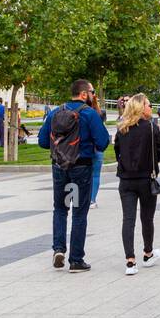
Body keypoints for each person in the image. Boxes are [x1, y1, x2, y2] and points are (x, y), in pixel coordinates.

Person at [38, 79, 110, 273]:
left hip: (59, 168)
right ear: (84, 94)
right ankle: (76, 259)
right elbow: (103, 142)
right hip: (81, 169)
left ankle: (59, 248)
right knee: (79, 212)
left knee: (60, 209)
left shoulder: (55, 112)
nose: (94, 95)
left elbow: (43, 141)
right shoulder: (89, 114)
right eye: (92, 92)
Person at [113, 93, 160, 274]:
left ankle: (130, 261)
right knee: (147, 218)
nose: (151, 108)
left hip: (126, 180)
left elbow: (117, 150)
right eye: (149, 105)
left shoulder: (122, 128)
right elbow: (159, 152)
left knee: (128, 219)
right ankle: (148, 253)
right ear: (141, 108)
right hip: (146, 179)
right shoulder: (151, 128)